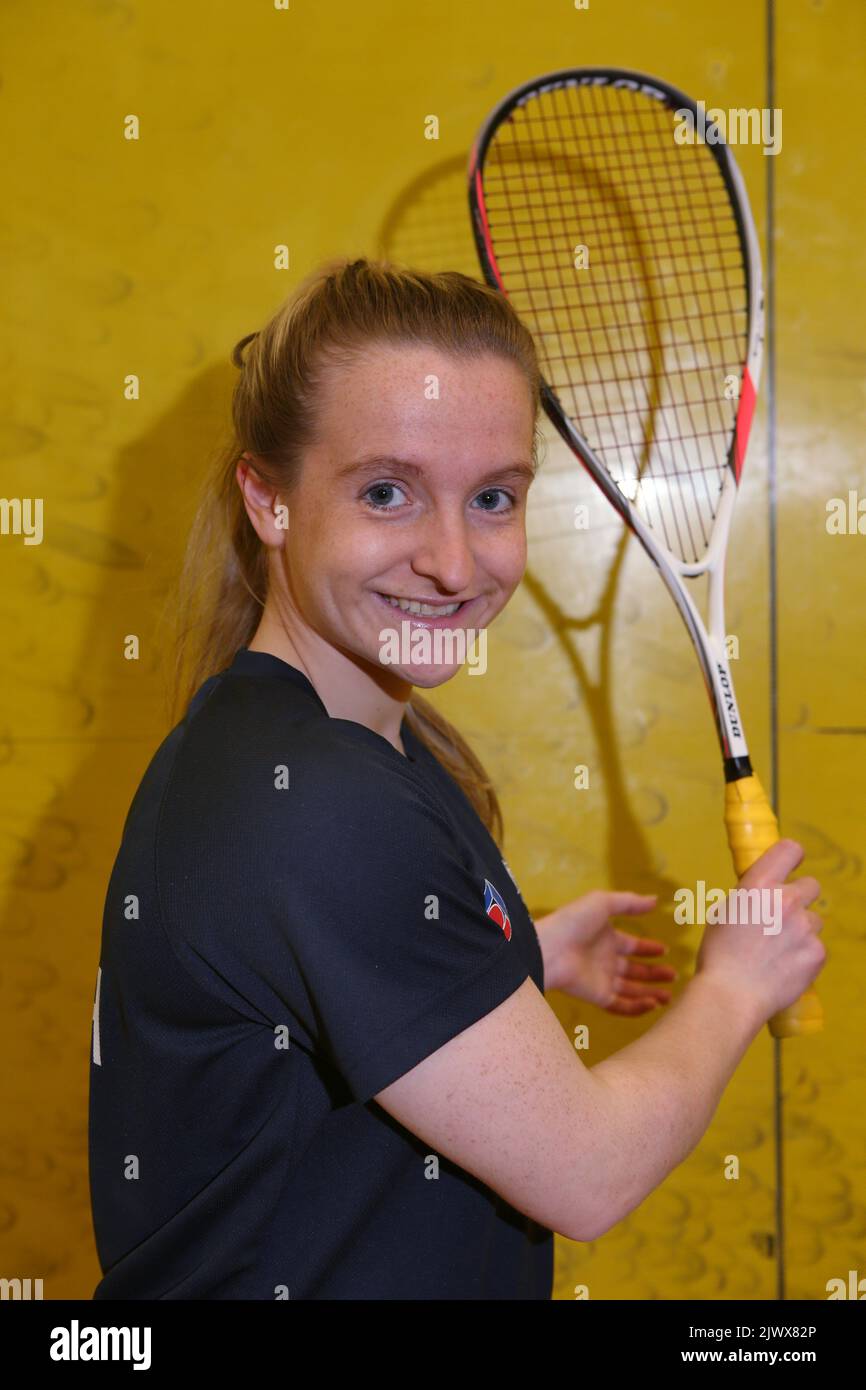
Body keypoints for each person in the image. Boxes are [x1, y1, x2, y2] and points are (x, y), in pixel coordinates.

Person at [87, 258, 825, 1300]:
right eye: (385, 491)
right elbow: (588, 1170)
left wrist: (516, 954)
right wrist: (736, 984)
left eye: (493, 497)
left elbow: (313, 993)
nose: (451, 559)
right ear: (269, 500)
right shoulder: (317, 803)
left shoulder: (323, 743)